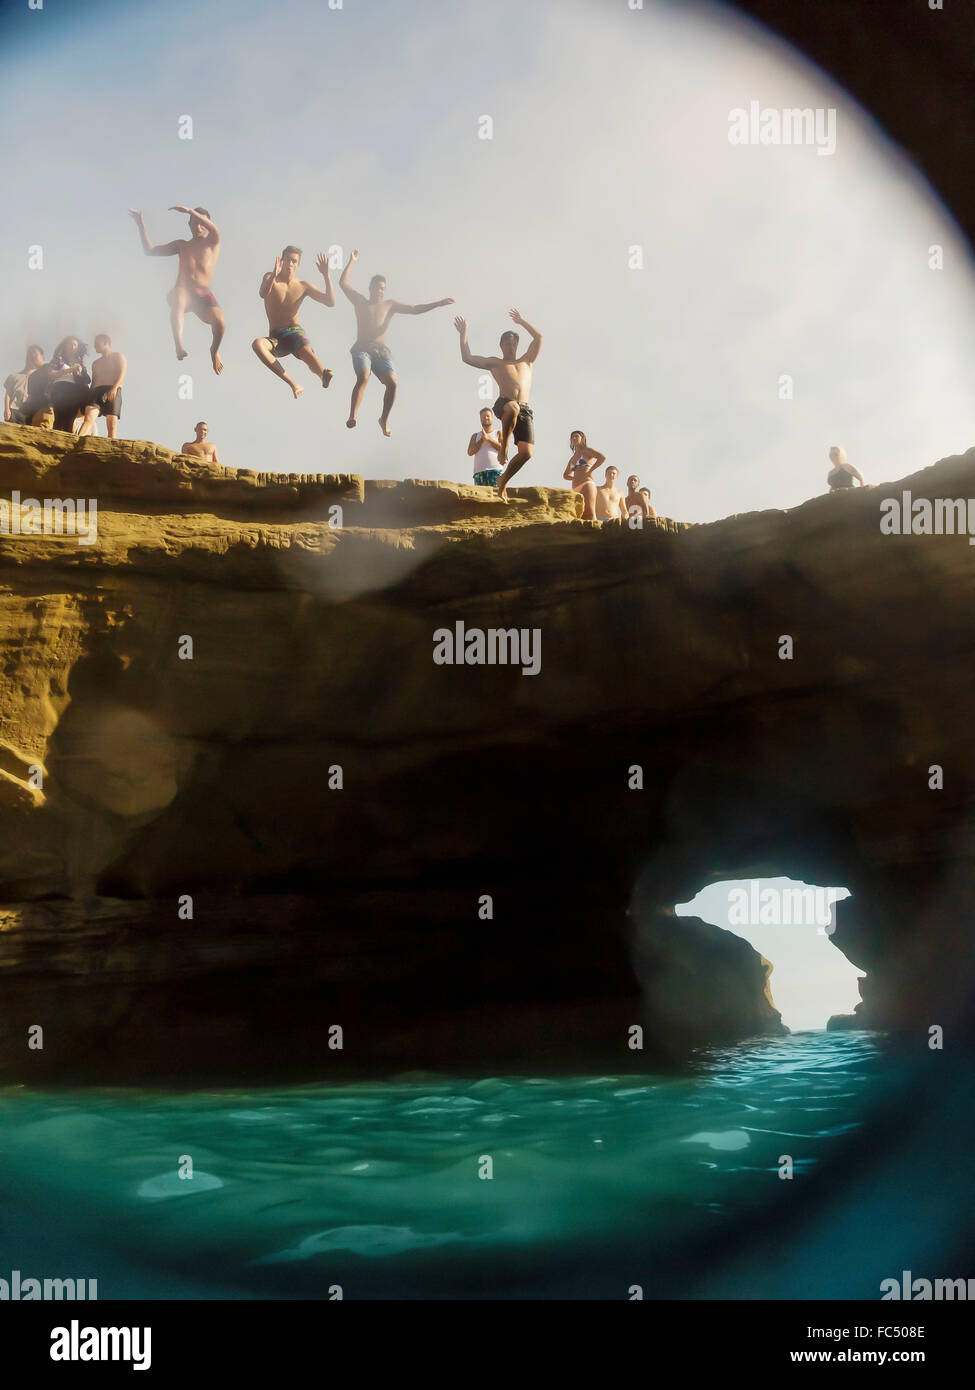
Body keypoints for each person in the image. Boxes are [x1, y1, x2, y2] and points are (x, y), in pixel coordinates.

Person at [341, 249, 454, 435]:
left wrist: (437, 303)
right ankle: (353, 415)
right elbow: (343, 283)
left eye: (383, 289)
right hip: (362, 348)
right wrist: (352, 261)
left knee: (393, 383)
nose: (379, 291)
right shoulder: (360, 301)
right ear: (370, 288)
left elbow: (414, 309)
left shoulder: (389, 305)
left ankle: (383, 419)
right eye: (377, 288)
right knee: (364, 376)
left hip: (381, 351)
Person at [454, 309, 541, 501]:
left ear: (517, 345)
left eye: (514, 343)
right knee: (512, 408)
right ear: (501, 345)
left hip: (525, 409)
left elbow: (538, 337)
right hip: (505, 404)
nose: (511, 346)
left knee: (527, 453)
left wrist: (522, 321)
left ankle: (503, 480)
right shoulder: (496, 363)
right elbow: (467, 358)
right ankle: (504, 447)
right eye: (507, 343)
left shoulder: (527, 360)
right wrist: (463, 334)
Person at [129, 204, 225, 374]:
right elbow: (150, 251)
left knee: (220, 323)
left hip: (203, 293)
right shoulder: (182, 245)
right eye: (193, 222)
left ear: (208, 224)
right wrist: (140, 226)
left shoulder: (213, 241)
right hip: (183, 290)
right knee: (180, 297)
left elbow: (213, 228)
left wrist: (190, 211)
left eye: (201, 222)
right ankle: (179, 345)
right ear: (189, 225)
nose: (198, 226)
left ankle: (214, 351)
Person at [252, 247, 335, 399]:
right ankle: (293, 384)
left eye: (294, 261)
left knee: (305, 351)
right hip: (276, 337)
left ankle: (323, 374)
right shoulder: (271, 277)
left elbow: (330, 302)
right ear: (281, 261)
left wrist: (326, 275)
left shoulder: (303, 286)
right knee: (257, 344)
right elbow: (263, 293)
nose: (290, 263)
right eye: (287, 260)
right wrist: (273, 275)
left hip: (294, 332)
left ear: (298, 265)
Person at [79, 334, 126, 439]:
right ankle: (76, 440)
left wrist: (114, 388)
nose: (95, 346)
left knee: (112, 421)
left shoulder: (118, 356)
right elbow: (94, 381)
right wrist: (88, 398)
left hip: (113, 388)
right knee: (89, 417)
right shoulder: (95, 363)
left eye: (97, 343)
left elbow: (122, 373)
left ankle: (110, 444)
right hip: (96, 392)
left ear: (106, 343)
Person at [44, 337, 91, 432]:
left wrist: (80, 371)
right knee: (59, 419)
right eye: (70, 344)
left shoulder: (80, 362)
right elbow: (51, 374)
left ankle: (67, 444)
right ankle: (54, 444)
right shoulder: (58, 359)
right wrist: (70, 370)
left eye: (75, 345)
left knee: (70, 421)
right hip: (60, 389)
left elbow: (86, 380)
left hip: (74, 392)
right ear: (65, 345)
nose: (73, 347)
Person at [562, 431, 605, 521]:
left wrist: (591, 470)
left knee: (590, 512)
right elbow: (565, 475)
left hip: (587, 484)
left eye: (576, 436)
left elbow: (602, 457)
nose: (574, 438)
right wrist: (574, 478)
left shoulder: (587, 450)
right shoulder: (572, 458)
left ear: (582, 438)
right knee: (580, 515)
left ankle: (596, 533)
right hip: (575, 488)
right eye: (572, 437)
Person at [4, 345, 45, 423]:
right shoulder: (14, 376)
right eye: (31, 353)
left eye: (36, 354)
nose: (33, 356)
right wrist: (7, 409)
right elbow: (8, 394)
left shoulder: (41, 378)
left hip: (31, 412)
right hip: (14, 411)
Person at [468, 407, 503, 486]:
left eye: (488, 416)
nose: (486, 418)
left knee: (496, 496)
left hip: (495, 471)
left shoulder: (498, 433)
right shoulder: (475, 436)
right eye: (483, 417)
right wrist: (482, 440)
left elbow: (503, 448)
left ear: (492, 418)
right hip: (479, 472)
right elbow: (470, 452)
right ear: (480, 419)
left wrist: (488, 439)